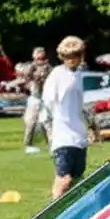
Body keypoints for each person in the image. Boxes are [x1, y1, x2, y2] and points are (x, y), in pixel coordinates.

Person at [42, 36, 90, 199]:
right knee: (63, 179)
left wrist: (91, 126)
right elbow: (48, 102)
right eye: (67, 56)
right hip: (63, 136)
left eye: (75, 55)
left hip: (79, 136)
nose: (71, 60)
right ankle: (53, 213)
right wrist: (50, 127)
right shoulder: (57, 74)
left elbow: (82, 105)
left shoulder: (79, 76)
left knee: (77, 181)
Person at [23, 47, 52, 153]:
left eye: (41, 53)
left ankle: (51, 144)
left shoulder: (48, 67)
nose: (40, 55)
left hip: (46, 98)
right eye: (37, 53)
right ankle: (28, 145)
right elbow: (26, 78)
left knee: (47, 122)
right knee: (31, 122)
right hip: (35, 97)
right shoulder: (31, 67)